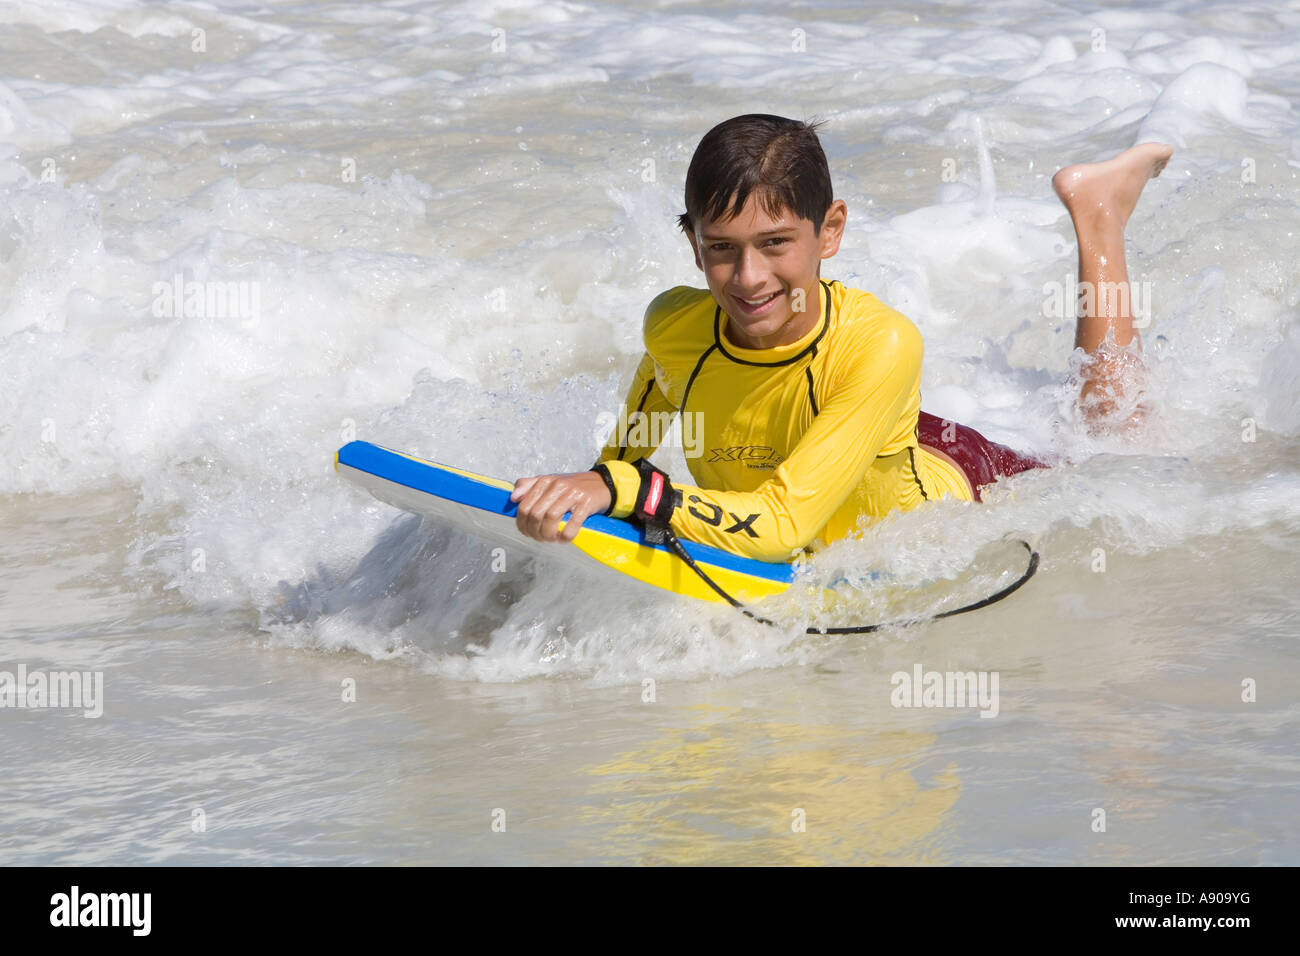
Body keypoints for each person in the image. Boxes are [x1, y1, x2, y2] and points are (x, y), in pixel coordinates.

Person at [509, 114, 1171, 562]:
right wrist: (584, 493)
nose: (748, 278)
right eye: (721, 249)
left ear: (829, 231)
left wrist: (628, 493)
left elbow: (781, 527)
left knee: (1116, 444)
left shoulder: (884, 344)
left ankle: (1098, 214)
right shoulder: (673, 327)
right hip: (852, 427)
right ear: (692, 242)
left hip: (958, 477)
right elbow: (622, 465)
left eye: (775, 244)